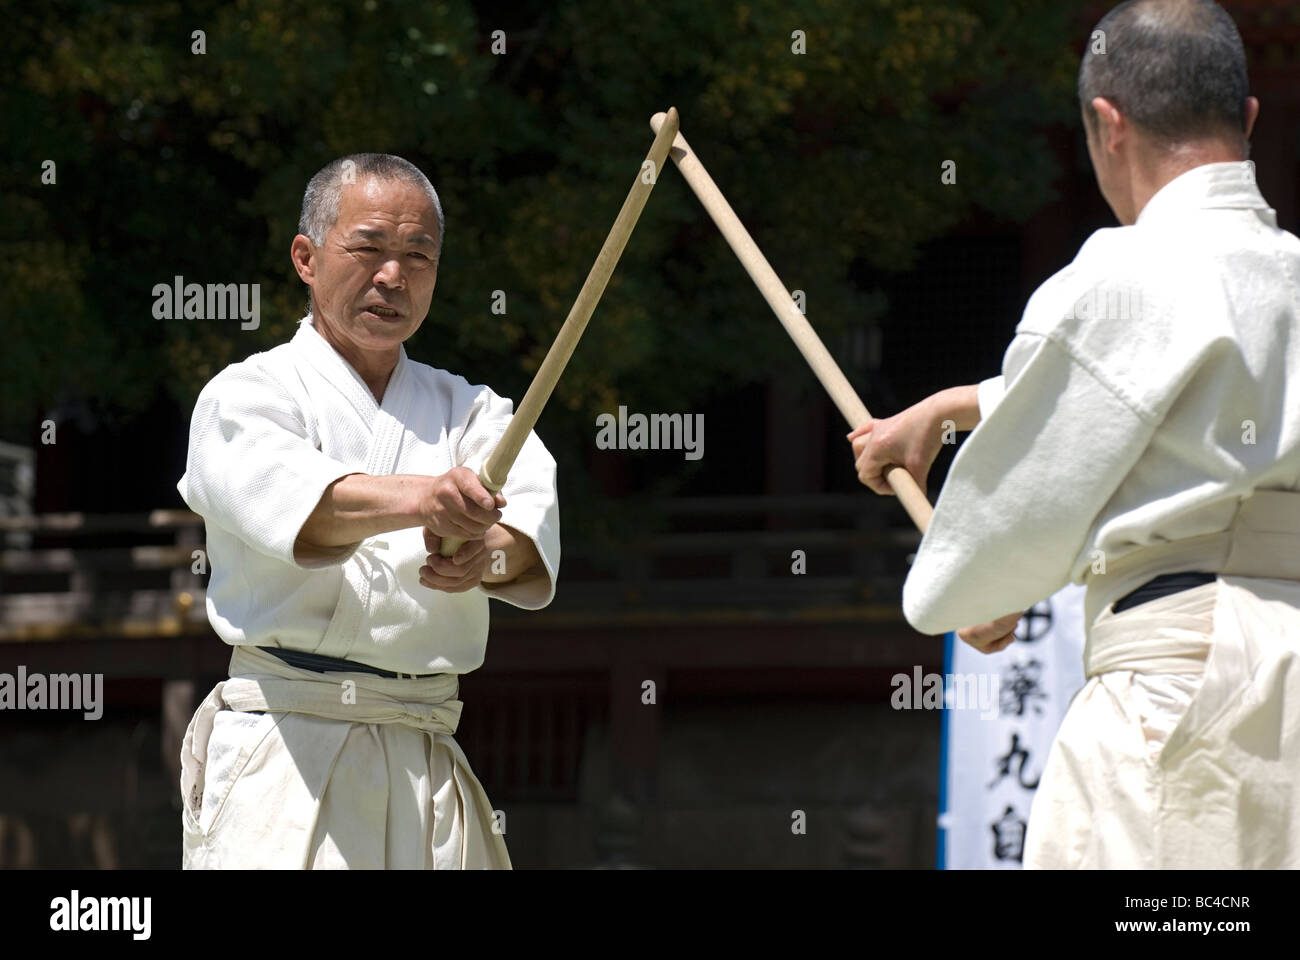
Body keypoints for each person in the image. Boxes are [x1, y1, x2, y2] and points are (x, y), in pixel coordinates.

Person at [850, 0, 1300, 868]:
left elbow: (971, 579)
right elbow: (1191, 376)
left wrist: (972, 583)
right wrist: (955, 408)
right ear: (1246, 118)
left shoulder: (1116, 275)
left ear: (1107, 123)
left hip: (1182, 686)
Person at [176, 153, 560, 869]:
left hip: (424, 745)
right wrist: (428, 498)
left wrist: (486, 556)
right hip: (285, 750)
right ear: (307, 257)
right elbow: (304, 511)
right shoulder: (245, 396)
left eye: (418, 255)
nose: (394, 275)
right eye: (369, 247)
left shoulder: (474, 411)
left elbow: (527, 543)